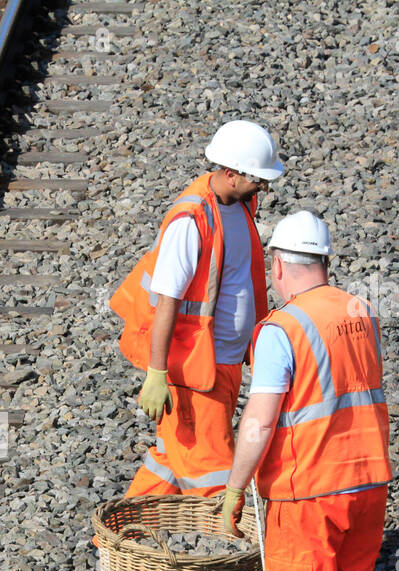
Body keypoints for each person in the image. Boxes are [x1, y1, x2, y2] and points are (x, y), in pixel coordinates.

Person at [217, 211, 393, 571]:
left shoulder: (282, 328)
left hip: (307, 491)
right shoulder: (359, 312)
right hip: (368, 483)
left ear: (277, 264)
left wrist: (233, 490)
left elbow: (260, 422)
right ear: (324, 262)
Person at [110, 120, 284, 497]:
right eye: (258, 179)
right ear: (231, 174)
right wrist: (156, 373)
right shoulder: (190, 222)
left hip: (225, 361)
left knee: (171, 460)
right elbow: (167, 300)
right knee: (215, 471)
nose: (264, 187)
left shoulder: (240, 205)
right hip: (197, 369)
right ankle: (238, 544)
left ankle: (122, 542)